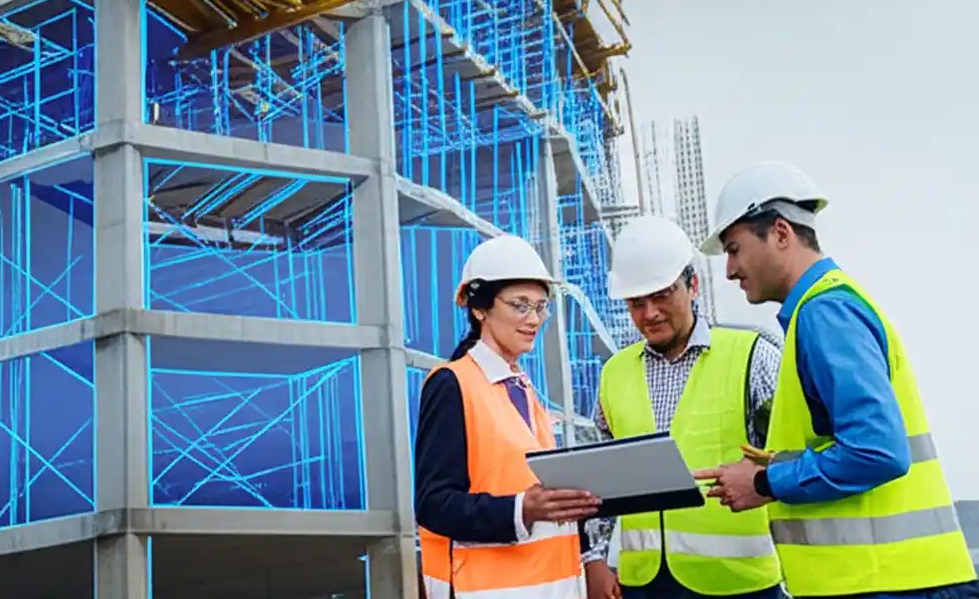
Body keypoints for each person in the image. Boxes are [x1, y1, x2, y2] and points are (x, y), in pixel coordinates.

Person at [694, 160, 978, 599]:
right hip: (890, 581)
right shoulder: (822, 309)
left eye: (734, 249)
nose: (730, 270)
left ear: (782, 233)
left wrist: (764, 483)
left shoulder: (825, 313)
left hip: (888, 585)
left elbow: (877, 451)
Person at [582, 215, 783, 599]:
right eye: (636, 303)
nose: (650, 313)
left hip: (738, 584)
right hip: (642, 584)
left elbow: (793, 456)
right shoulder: (614, 374)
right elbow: (603, 480)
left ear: (692, 286)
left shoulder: (753, 355)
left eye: (661, 295)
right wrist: (594, 558)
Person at [414, 233, 602, 598]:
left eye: (541, 306)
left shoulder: (522, 388)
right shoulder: (452, 384)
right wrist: (522, 508)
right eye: (520, 305)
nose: (535, 319)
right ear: (479, 308)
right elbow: (434, 504)